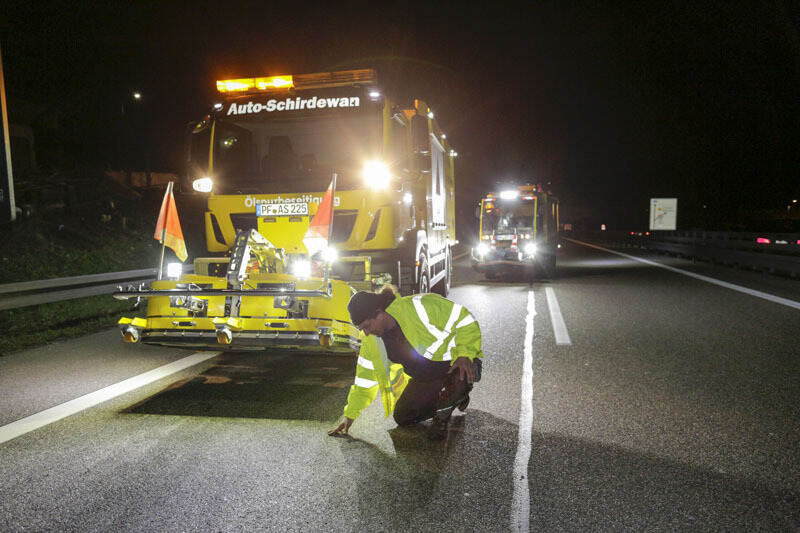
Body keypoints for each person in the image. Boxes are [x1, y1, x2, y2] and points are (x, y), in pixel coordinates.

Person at [328, 286, 483, 440]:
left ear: (379, 313)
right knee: (403, 417)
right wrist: (350, 415)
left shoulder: (420, 306)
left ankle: (445, 411)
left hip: (456, 365)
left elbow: (465, 320)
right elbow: (365, 381)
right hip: (426, 378)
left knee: (461, 375)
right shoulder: (372, 342)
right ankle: (451, 398)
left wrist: (464, 354)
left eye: (367, 326)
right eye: (362, 329)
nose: (366, 333)